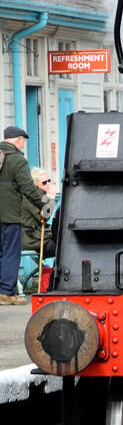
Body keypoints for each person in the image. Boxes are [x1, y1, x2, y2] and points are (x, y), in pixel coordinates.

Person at [0, 127, 49, 303]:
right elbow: (28, 188)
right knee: (11, 253)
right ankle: (6, 293)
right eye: (23, 141)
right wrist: (43, 204)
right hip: (10, 215)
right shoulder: (17, 160)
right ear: (19, 140)